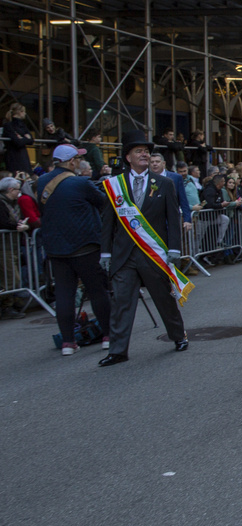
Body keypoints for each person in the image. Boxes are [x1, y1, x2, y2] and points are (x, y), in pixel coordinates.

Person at [97, 130, 191, 366]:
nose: (144, 155)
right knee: (121, 302)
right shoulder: (113, 185)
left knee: (163, 298)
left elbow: (173, 218)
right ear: (127, 157)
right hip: (123, 255)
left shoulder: (164, 183)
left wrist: (175, 249)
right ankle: (118, 350)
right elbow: (107, 222)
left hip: (153, 253)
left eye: (147, 152)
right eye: (139, 151)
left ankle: (178, 336)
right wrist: (105, 252)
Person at [35, 144, 112, 355]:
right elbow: (103, 202)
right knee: (97, 290)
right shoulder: (80, 183)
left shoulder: (42, 182)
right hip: (84, 245)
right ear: (71, 162)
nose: (78, 162)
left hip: (56, 248)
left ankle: (68, 342)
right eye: (77, 159)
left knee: (64, 294)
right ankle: (107, 335)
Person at [0, 176, 31, 319]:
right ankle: (7, 306)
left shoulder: (11, 203)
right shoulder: (2, 203)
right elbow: (3, 222)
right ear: (10, 189)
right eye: (18, 190)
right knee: (11, 278)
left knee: (11, 278)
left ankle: (10, 304)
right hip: (4, 246)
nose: (19, 193)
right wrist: (18, 227)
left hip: (11, 245)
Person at [3, 104, 33, 174]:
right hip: (14, 157)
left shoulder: (22, 125)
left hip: (21, 155)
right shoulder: (8, 125)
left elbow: (31, 140)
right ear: (20, 112)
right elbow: (18, 142)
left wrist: (22, 138)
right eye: (24, 112)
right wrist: (26, 138)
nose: (25, 114)